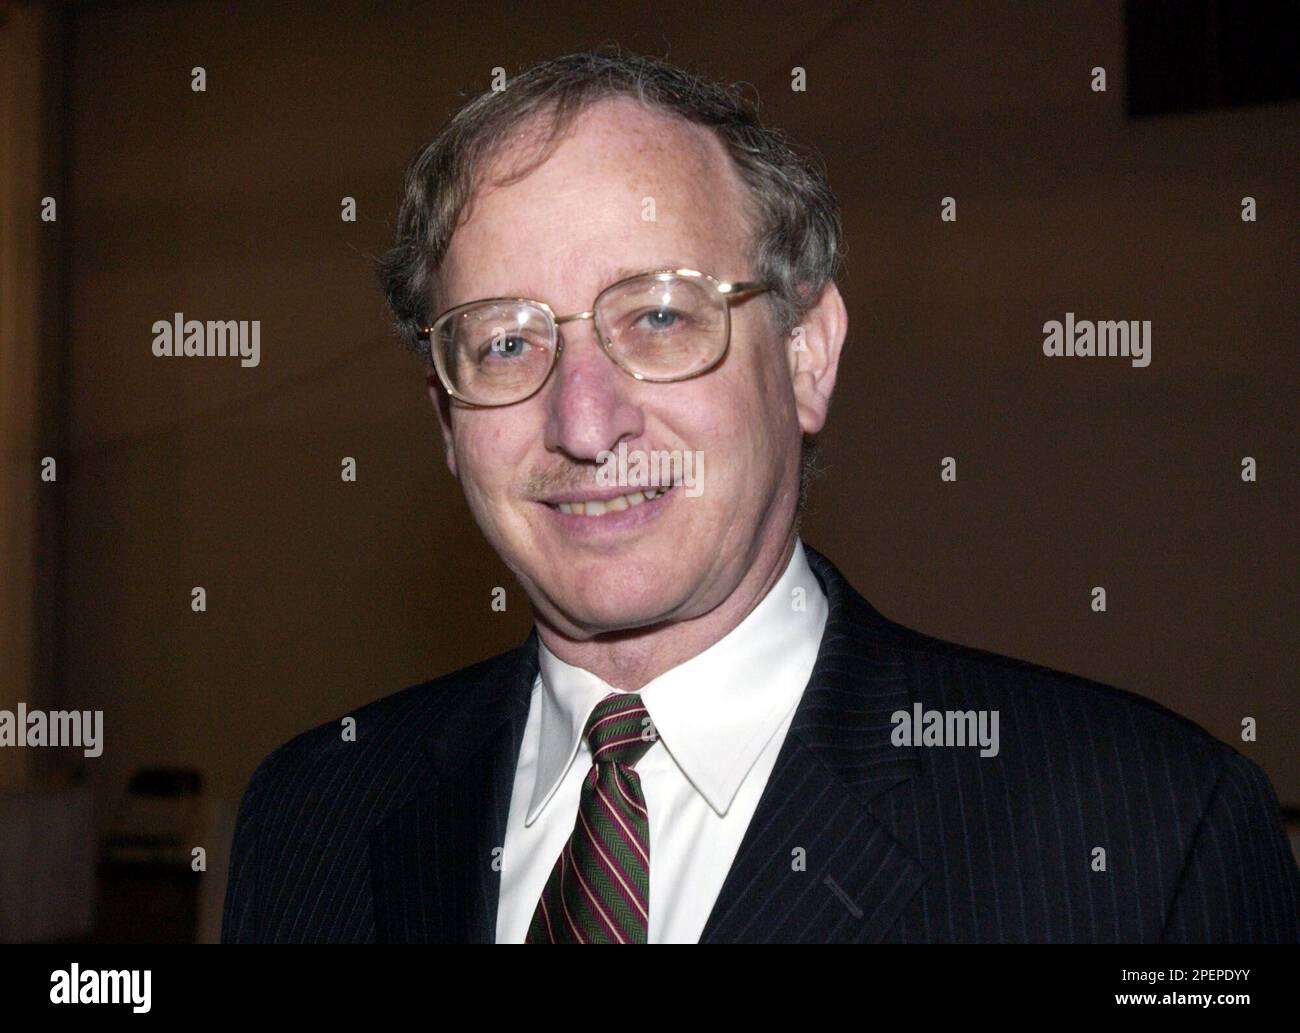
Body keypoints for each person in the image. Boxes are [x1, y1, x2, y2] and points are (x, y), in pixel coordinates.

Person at [222, 50, 1298, 943]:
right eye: (506, 342)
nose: (584, 423)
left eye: (657, 317)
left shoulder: (1146, 837)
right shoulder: (315, 814)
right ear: (444, 417)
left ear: (805, 357)